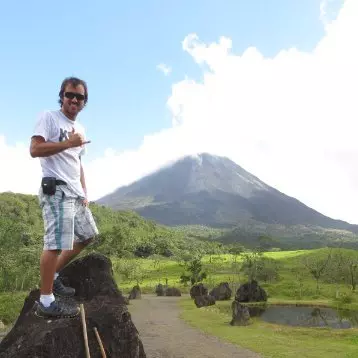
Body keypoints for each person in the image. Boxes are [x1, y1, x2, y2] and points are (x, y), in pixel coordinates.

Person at [30, 77, 99, 318]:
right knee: (55, 244)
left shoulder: (81, 130)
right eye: (70, 95)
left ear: (84, 103)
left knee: (88, 235)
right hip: (56, 189)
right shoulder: (49, 117)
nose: (74, 100)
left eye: (79, 97)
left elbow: (77, 162)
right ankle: (46, 301)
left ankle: (53, 276)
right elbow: (35, 149)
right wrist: (68, 142)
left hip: (75, 193)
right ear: (62, 96)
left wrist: (85, 192)